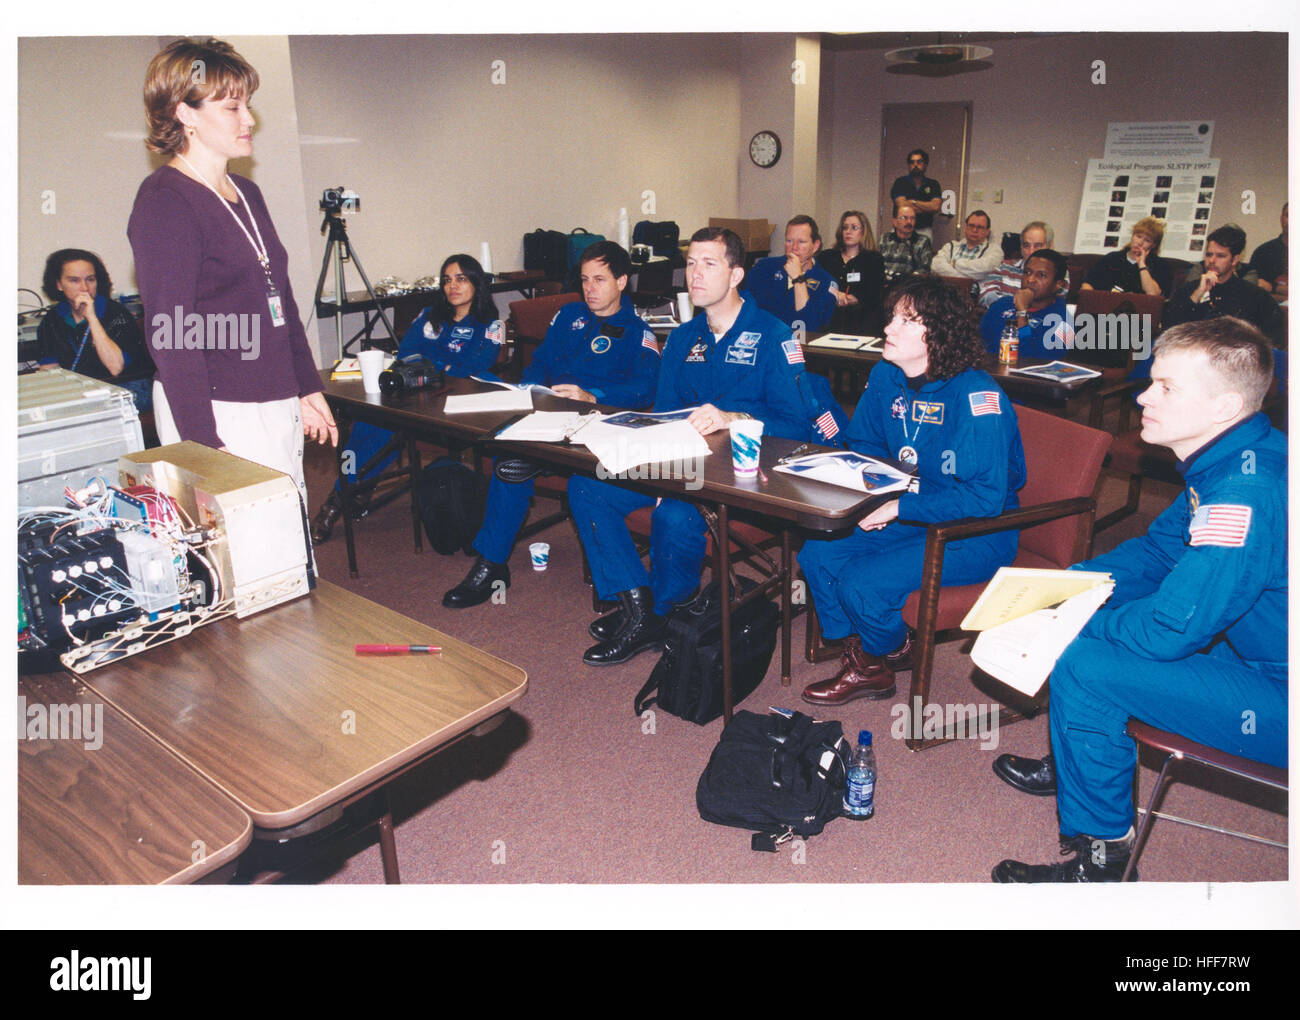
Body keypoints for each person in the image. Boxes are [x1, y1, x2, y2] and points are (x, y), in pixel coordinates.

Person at [991, 317, 1286, 882]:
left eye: (1167, 387)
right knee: (1091, 644)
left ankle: (1103, 864)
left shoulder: (1242, 495)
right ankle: (1084, 754)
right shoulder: (1238, 454)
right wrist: (1065, 587)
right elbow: (1156, 554)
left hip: (1279, 688)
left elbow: (1167, 631)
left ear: (1225, 406)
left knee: (1083, 663)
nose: (1143, 396)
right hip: (1258, 649)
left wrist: (1066, 620)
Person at [567, 227, 815, 666]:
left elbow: (797, 426)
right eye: (692, 263)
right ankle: (638, 606)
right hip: (681, 466)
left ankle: (661, 610)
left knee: (675, 517)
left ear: (736, 274)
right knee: (587, 485)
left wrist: (733, 417)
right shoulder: (683, 338)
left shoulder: (775, 336)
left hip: (744, 477)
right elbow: (664, 411)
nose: (695, 274)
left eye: (710, 264)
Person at [127, 37, 336, 505]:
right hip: (218, 409)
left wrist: (305, 386)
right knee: (246, 558)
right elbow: (172, 334)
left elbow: (278, 295)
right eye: (232, 107)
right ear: (185, 114)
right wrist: (203, 448)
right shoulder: (166, 201)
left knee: (285, 546)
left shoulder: (246, 192)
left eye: (248, 105)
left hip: (273, 397)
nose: (249, 119)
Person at [799, 275, 1025, 706]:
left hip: (975, 530)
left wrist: (900, 505)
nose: (888, 328)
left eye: (906, 321)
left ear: (937, 333)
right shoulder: (887, 374)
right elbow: (862, 441)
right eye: (893, 317)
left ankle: (890, 648)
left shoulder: (977, 397)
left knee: (861, 586)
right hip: (911, 507)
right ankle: (870, 661)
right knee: (817, 555)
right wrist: (874, 485)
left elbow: (986, 498)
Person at [441, 240, 660, 609]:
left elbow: (645, 388)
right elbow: (540, 361)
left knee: (581, 484)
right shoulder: (569, 316)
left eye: (600, 280)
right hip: (549, 421)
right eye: (585, 279)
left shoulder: (638, 332)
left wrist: (593, 394)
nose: (589, 288)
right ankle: (492, 564)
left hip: (597, 430)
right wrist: (529, 386)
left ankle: (615, 586)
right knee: (508, 464)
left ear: (622, 282)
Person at [311, 254, 506, 542]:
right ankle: (344, 492)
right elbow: (406, 353)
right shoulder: (429, 315)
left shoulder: (491, 324)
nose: (453, 286)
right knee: (368, 425)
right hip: (413, 394)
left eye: (461, 279)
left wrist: (432, 365)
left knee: (388, 434)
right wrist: (443, 366)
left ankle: (340, 499)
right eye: (447, 280)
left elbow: (476, 365)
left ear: (477, 284)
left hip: (454, 403)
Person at [35, 248, 155, 411]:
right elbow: (49, 369)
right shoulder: (52, 320)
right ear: (59, 284)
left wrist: (92, 318)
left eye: (90, 280)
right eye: (74, 280)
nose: (84, 288)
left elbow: (115, 368)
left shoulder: (116, 313)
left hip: (128, 387)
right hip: (84, 391)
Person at [1163, 224, 1286, 347]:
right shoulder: (1189, 289)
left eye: (1220, 256)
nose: (1212, 260)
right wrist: (1198, 293)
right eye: (1209, 254)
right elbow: (1169, 330)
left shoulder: (1254, 296)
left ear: (1234, 260)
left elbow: (1273, 339)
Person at [744, 214, 837, 331]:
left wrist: (798, 278)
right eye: (789, 241)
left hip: (801, 344)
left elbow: (809, 326)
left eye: (802, 242)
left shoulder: (826, 282)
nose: (794, 247)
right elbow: (746, 312)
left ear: (815, 246)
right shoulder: (764, 268)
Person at [979, 249, 1074, 361]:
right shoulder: (1002, 304)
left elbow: (1034, 361)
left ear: (1058, 285)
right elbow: (976, 344)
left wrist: (1022, 313)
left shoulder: (1066, 324)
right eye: (1027, 272)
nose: (1030, 279)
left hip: (1024, 377)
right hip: (988, 372)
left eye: (1041, 275)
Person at [817, 209, 885, 334]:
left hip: (861, 321)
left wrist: (850, 298)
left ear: (863, 232)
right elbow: (816, 282)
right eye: (845, 228)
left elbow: (875, 293)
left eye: (854, 228)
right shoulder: (827, 257)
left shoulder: (874, 259)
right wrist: (833, 295)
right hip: (829, 318)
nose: (848, 232)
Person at [977, 221, 1070, 308]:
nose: (1031, 251)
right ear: (1021, 247)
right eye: (1026, 245)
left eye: (1038, 245)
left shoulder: (1058, 271)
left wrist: (1017, 303)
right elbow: (986, 296)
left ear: (1050, 246)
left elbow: (1054, 303)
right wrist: (1017, 304)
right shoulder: (1004, 267)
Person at [1080, 216, 1172, 297]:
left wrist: (1141, 264)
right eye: (1138, 236)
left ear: (1153, 245)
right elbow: (1088, 284)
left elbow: (1153, 294)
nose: (1140, 242)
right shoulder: (1112, 258)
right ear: (1132, 236)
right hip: (1106, 311)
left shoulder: (1160, 265)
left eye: (1147, 240)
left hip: (1140, 314)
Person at [929, 210, 1002, 282]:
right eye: (971, 225)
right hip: (946, 290)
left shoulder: (995, 251)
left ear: (987, 232)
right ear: (965, 228)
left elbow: (984, 271)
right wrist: (965, 280)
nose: (974, 230)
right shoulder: (950, 246)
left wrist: (955, 264)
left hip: (975, 293)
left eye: (980, 227)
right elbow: (936, 266)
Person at [889, 148, 942, 240]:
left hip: (924, 230)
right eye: (912, 162)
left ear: (925, 164)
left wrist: (912, 202)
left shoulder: (933, 184)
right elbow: (901, 205)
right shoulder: (900, 182)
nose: (915, 165)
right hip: (901, 229)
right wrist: (926, 207)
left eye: (919, 162)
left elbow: (935, 207)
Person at [879, 203, 933, 283]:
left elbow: (925, 269)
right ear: (895, 222)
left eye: (912, 218)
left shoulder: (923, 241)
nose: (909, 222)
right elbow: (876, 264)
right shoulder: (885, 238)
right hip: (885, 283)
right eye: (904, 218)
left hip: (908, 286)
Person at [1249, 202, 1287, 300]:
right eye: (1288, 216)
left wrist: (1275, 288)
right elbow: (1254, 288)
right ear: (1281, 219)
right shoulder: (1263, 252)